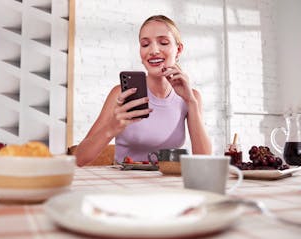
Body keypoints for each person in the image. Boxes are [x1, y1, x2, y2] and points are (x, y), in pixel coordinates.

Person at [72, 15, 212, 166]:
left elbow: (205, 161)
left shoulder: (192, 98)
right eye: (145, 44)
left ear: (178, 50)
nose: (153, 50)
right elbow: (78, 159)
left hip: (169, 184)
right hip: (126, 185)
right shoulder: (121, 94)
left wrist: (191, 102)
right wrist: (111, 127)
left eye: (163, 42)